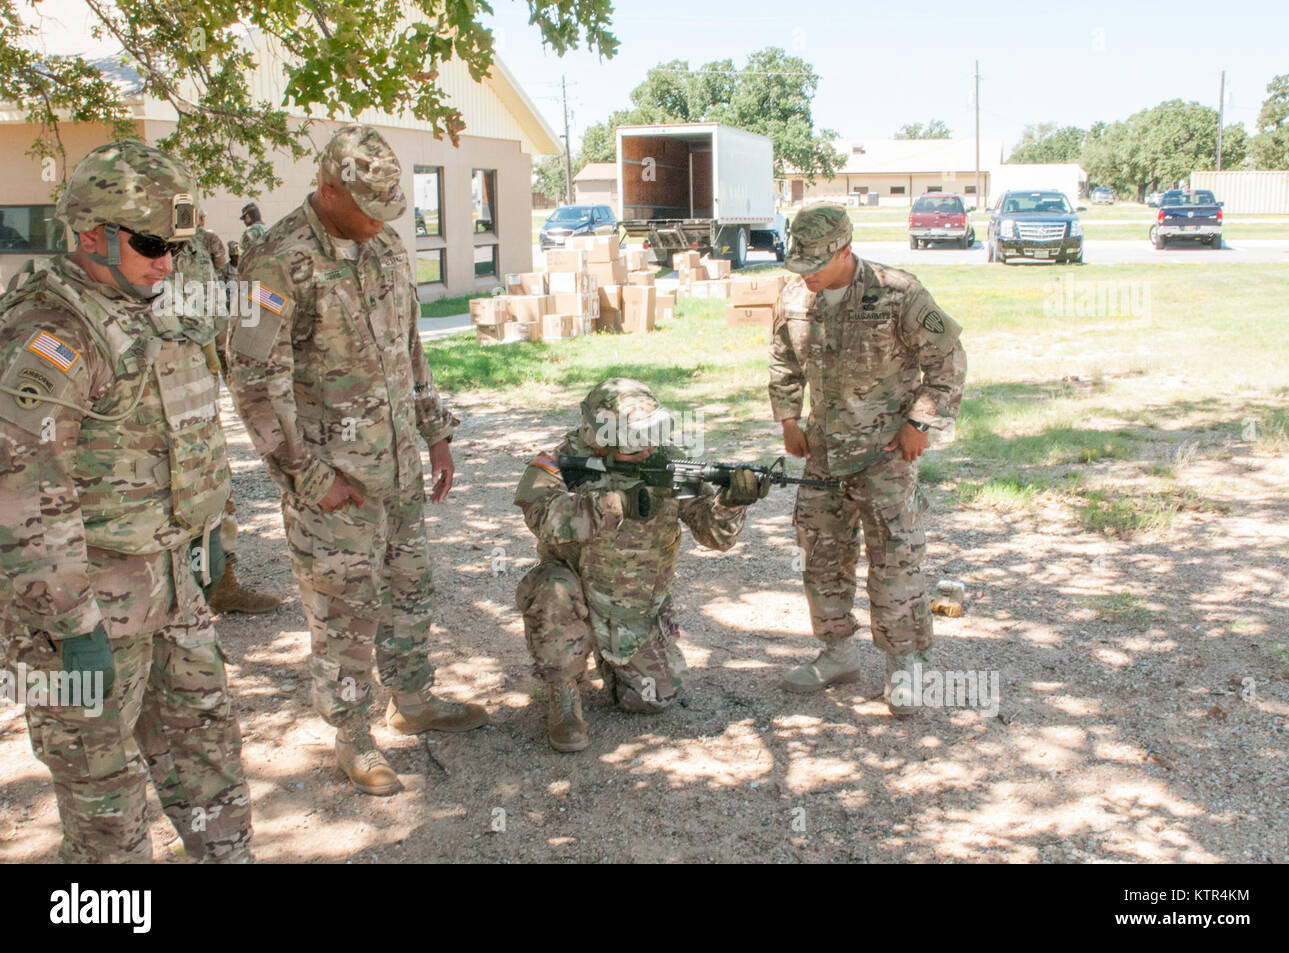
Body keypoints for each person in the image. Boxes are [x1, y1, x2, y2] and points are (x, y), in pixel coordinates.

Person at [0, 140, 253, 861]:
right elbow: (18, 491)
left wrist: (202, 540)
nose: (168, 261)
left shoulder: (149, 304)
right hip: (84, 624)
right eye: (150, 243)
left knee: (214, 781)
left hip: (174, 599)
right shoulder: (50, 330)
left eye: (178, 244)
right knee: (107, 817)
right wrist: (71, 624)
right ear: (89, 236)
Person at [227, 124, 486, 797]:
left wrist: (434, 433)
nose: (380, 222)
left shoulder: (387, 245)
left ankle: (412, 698)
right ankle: (353, 735)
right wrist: (311, 477)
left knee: (409, 591)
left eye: (390, 208)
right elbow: (255, 383)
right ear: (329, 188)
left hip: (397, 468)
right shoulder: (277, 261)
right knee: (343, 614)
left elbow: (410, 349)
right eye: (369, 208)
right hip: (336, 485)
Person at [769, 202, 966, 714]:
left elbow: (947, 363)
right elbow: (783, 359)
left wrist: (920, 423)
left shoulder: (898, 293)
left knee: (895, 559)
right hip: (822, 456)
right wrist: (789, 418)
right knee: (821, 556)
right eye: (800, 264)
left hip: (886, 456)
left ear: (845, 251)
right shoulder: (792, 296)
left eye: (816, 265)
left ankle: (904, 665)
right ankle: (836, 653)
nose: (807, 275)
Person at [514, 378, 768, 752]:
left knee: (653, 699)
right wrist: (616, 505)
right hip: (576, 596)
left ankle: (610, 660)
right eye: (636, 442)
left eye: (652, 438)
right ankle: (563, 692)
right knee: (551, 588)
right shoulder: (560, 461)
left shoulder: (668, 462)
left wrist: (732, 503)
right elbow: (543, 517)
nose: (649, 450)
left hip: (633, 609)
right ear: (600, 438)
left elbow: (715, 536)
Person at [172, 235, 279, 616]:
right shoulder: (135, 244)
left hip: (201, 386)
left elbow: (220, 304)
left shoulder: (201, 246)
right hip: (154, 394)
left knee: (216, 484)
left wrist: (231, 360)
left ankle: (221, 582)